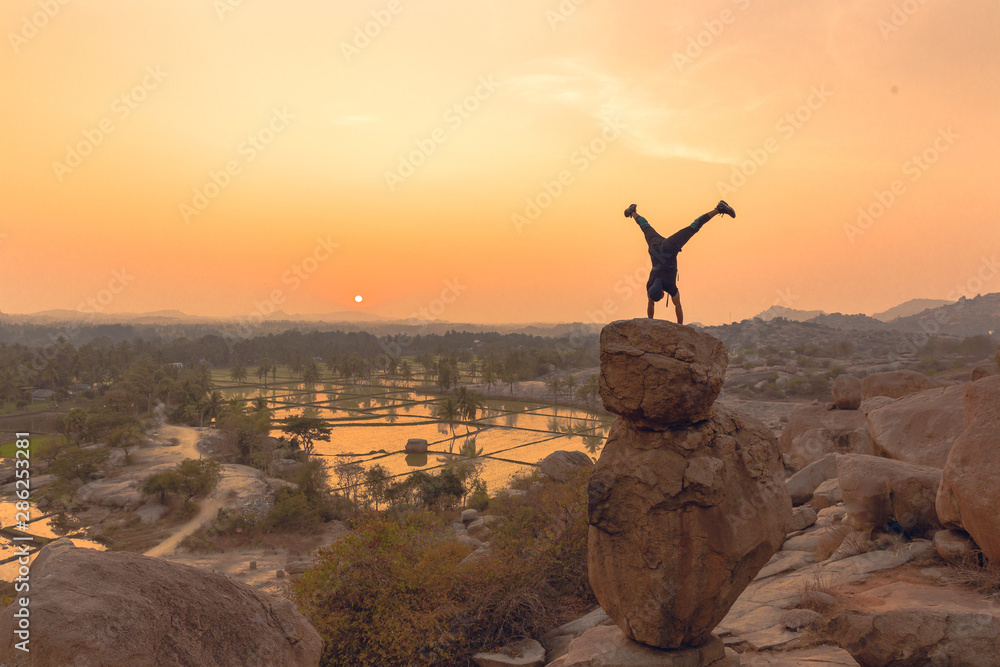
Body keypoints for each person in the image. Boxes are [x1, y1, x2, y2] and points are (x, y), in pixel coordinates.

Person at [624, 201, 736, 323]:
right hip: (655, 247)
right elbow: (651, 303)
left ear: (662, 292)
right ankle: (632, 211)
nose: (662, 297)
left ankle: (719, 208)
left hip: (669, 248)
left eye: (661, 297)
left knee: (693, 227)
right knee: (645, 226)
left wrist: (680, 327)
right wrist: (650, 322)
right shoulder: (650, 285)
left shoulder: (670, 286)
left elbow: (678, 306)